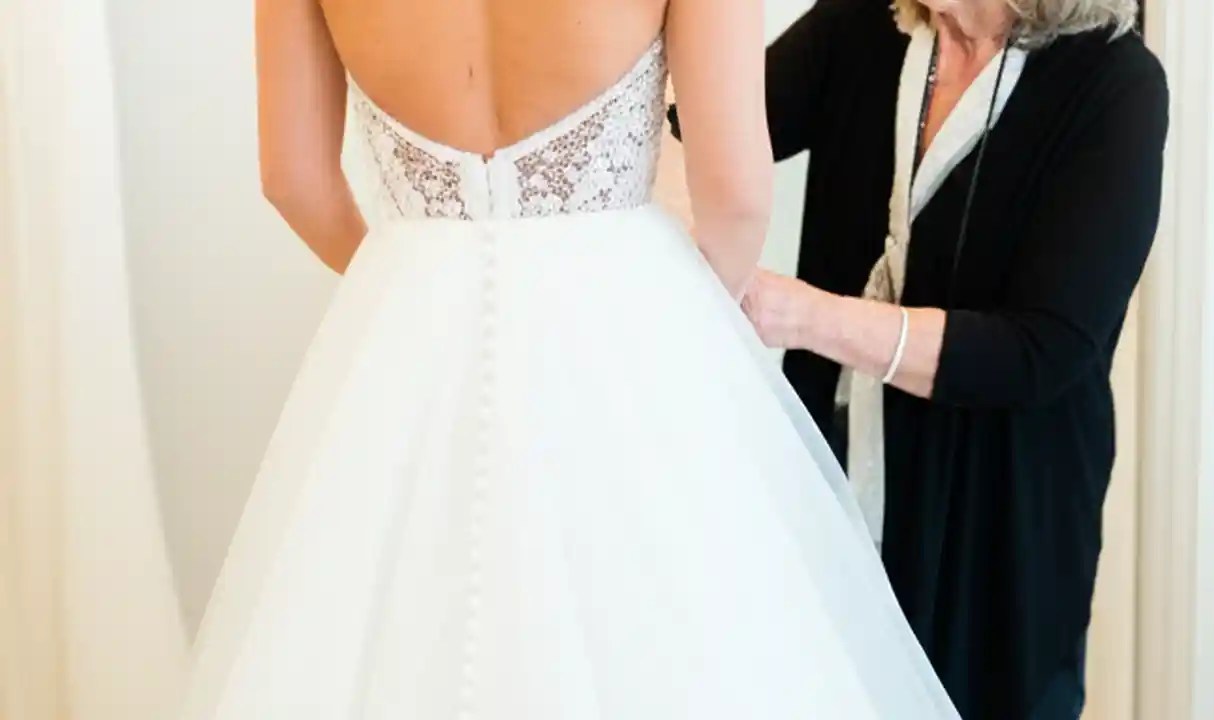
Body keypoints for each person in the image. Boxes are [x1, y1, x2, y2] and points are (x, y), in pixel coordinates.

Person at [176, 0, 959, 717]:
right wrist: (681, 323)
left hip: (410, 332)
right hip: (623, 318)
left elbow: (293, 179)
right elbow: (739, 192)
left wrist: (410, 295)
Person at [673, 0, 1168, 717]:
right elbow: (693, 126)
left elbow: (1043, 349)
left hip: (1005, 518)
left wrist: (810, 316)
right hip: (836, 479)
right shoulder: (861, 23)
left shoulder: (1117, 86)